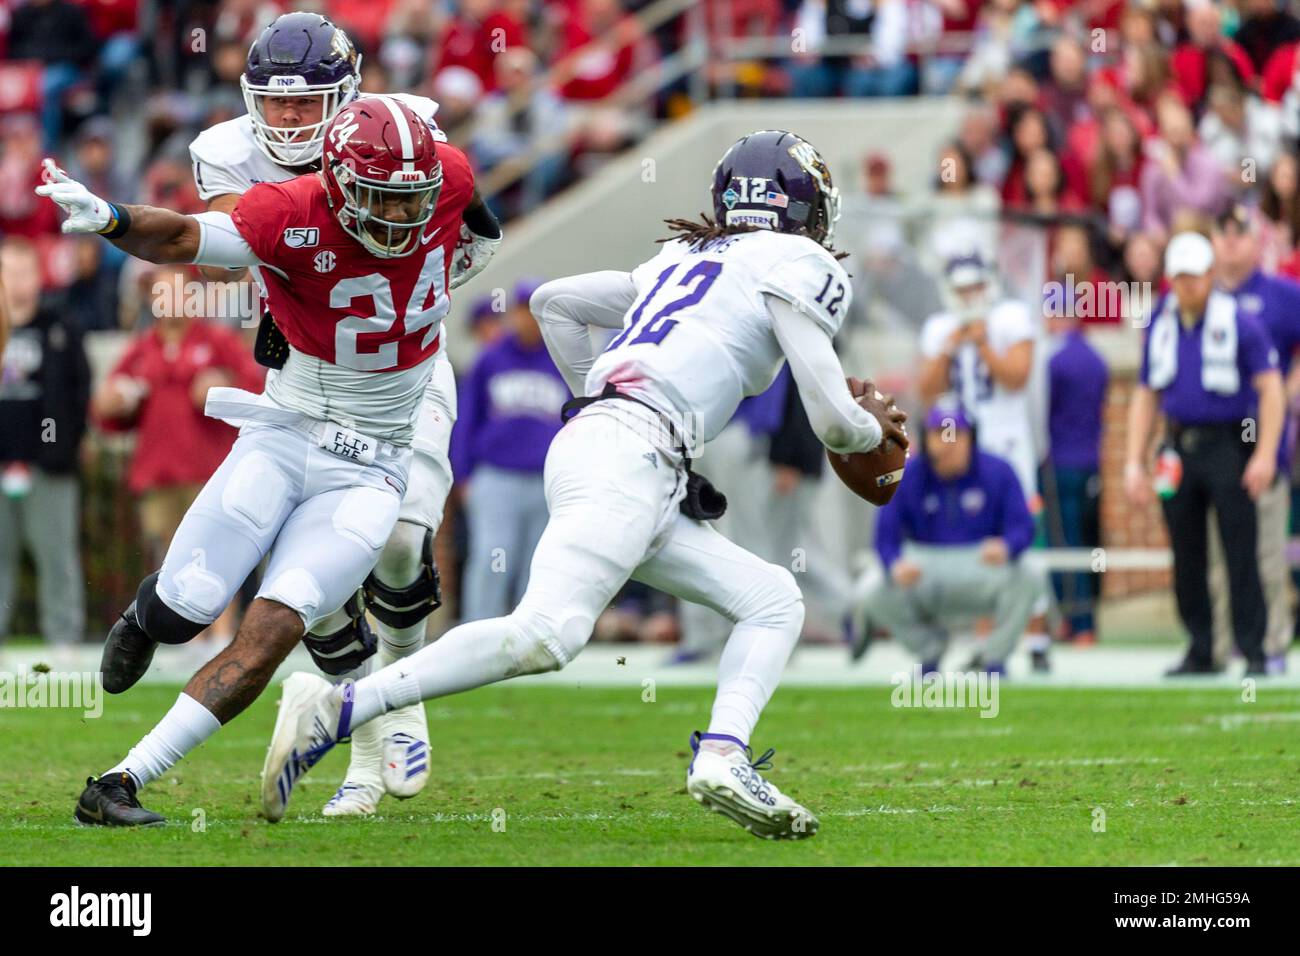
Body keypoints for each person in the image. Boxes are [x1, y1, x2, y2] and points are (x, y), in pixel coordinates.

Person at [261, 130, 907, 840]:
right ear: (804, 206)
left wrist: (599, 405)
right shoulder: (799, 260)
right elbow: (834, 422)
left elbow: (557, 304)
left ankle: (723, 756)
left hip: (618, 449)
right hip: (631, 450)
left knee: (772, 599)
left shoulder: (686, 255)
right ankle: (338, 709)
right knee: (546, 636)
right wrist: (877, 437)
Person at [37, 95, 488, 827]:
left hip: (371, 465)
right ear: (338, 183)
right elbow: (186, 237)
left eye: (414, 201)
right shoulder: (287, 209)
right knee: (188, 605)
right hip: (283, 434)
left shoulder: (452, 177)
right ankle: (150, 618)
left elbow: (477, 221)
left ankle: (119, 781)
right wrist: (113, 218)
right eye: (382, 200)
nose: (402, 218)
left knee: (277, 626)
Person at [185, 12, 500, 817]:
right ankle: (363, 750)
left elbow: (476, 232)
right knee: (315, 581)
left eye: (309, 102)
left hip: (401, 376)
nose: (289, 120)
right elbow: (248, 238)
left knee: (398, 550)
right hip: (299, 382)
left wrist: (407, 301)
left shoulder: (406, 131)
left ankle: (399, 707)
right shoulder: (224, 151)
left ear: (351, 93)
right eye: (276, 104)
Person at [1125, 231, 1285, 676]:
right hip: (1177, 446)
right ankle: (1201, 648)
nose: (1187, 287)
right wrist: (1133, 461)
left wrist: (1265, 453)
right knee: (1186, 551)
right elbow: (1146, 394)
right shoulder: (1161, 320)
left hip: (1228, 443)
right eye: (1179, 278)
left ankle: (1253, 650)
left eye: (1194, 278)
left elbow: (1270, 389)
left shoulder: (1238, 320)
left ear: (1210, 275)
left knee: (1240, 549)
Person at [91, 264, 265, 646]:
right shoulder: (141, 349)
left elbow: (256, 392)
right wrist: (112, 403)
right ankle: (183, 636)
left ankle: (220, 633)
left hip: (210, 471)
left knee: (216, 554)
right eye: (159, 294)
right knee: (168, 557)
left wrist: (223, 389)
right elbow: (105, 409)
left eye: (177, 293)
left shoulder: (218, 342)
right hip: (157, 474)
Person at [917, 249, 1052, 669]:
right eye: (963, 288)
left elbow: (1017, 376)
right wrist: (950, 349)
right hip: (962, 447)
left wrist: (983, 344)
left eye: (976, 286)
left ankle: (1037, 639)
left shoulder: (1010, 317)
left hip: (1008, 444)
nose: (971, 295)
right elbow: (927, 390)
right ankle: (988, 643)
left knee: (1023, 536)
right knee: (976, 540)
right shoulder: (940, 327)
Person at [860, 399, 1039, 675]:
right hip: (926, 568)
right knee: (870, 589)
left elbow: (1024, 527)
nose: (949, 443)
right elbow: (885, 538)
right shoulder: (906, 475)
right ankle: (929, 649)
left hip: (981, 563)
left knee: (1031, 574)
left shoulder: (999, 471)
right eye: (940, 435)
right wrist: (895, 565)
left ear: (971, 439)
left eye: (957, 435)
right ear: (926, 439)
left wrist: (1007, 546)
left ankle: (994, 658)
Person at [1208, 205, 1300, 673]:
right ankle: (1226, 646)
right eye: (1222, 232)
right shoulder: (1198, 296)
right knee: (1221, 557)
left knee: (1266, 553)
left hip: (1263, 441)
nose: (1229, 241)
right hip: (1214, 444)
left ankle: (1272, 644)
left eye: (1239, 233)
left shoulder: (1283, 296)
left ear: (1259, 241)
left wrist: (1292, 386)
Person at [452, 278, 569, 621]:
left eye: (537, 312)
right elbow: (466, 418)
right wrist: (463, 474)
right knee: (492, 556)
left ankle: (528, 639)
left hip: (546, 479)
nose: (529, 319)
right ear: (514, 314)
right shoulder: (492, 357)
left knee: (539, 563)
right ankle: (475, 637)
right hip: (496, 476)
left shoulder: (562, 356)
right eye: (523, 310)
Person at [0, 237, 91, 649]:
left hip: (46, 462)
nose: (16, 283)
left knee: (57, 556)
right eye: (8, 272)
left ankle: (64, 644)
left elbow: (76, 394)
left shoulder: (59, 328)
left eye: (23, 272)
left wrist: (57, 444)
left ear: (38, 278)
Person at [1043, 305, 1109, 643]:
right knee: (1088, 539)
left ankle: (1077, 621)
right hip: (1090, 460)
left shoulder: (1053, 360)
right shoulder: (1096, 358)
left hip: (1059, 461)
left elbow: (1045, 411)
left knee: (1063, 541)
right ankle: (1088, 618)